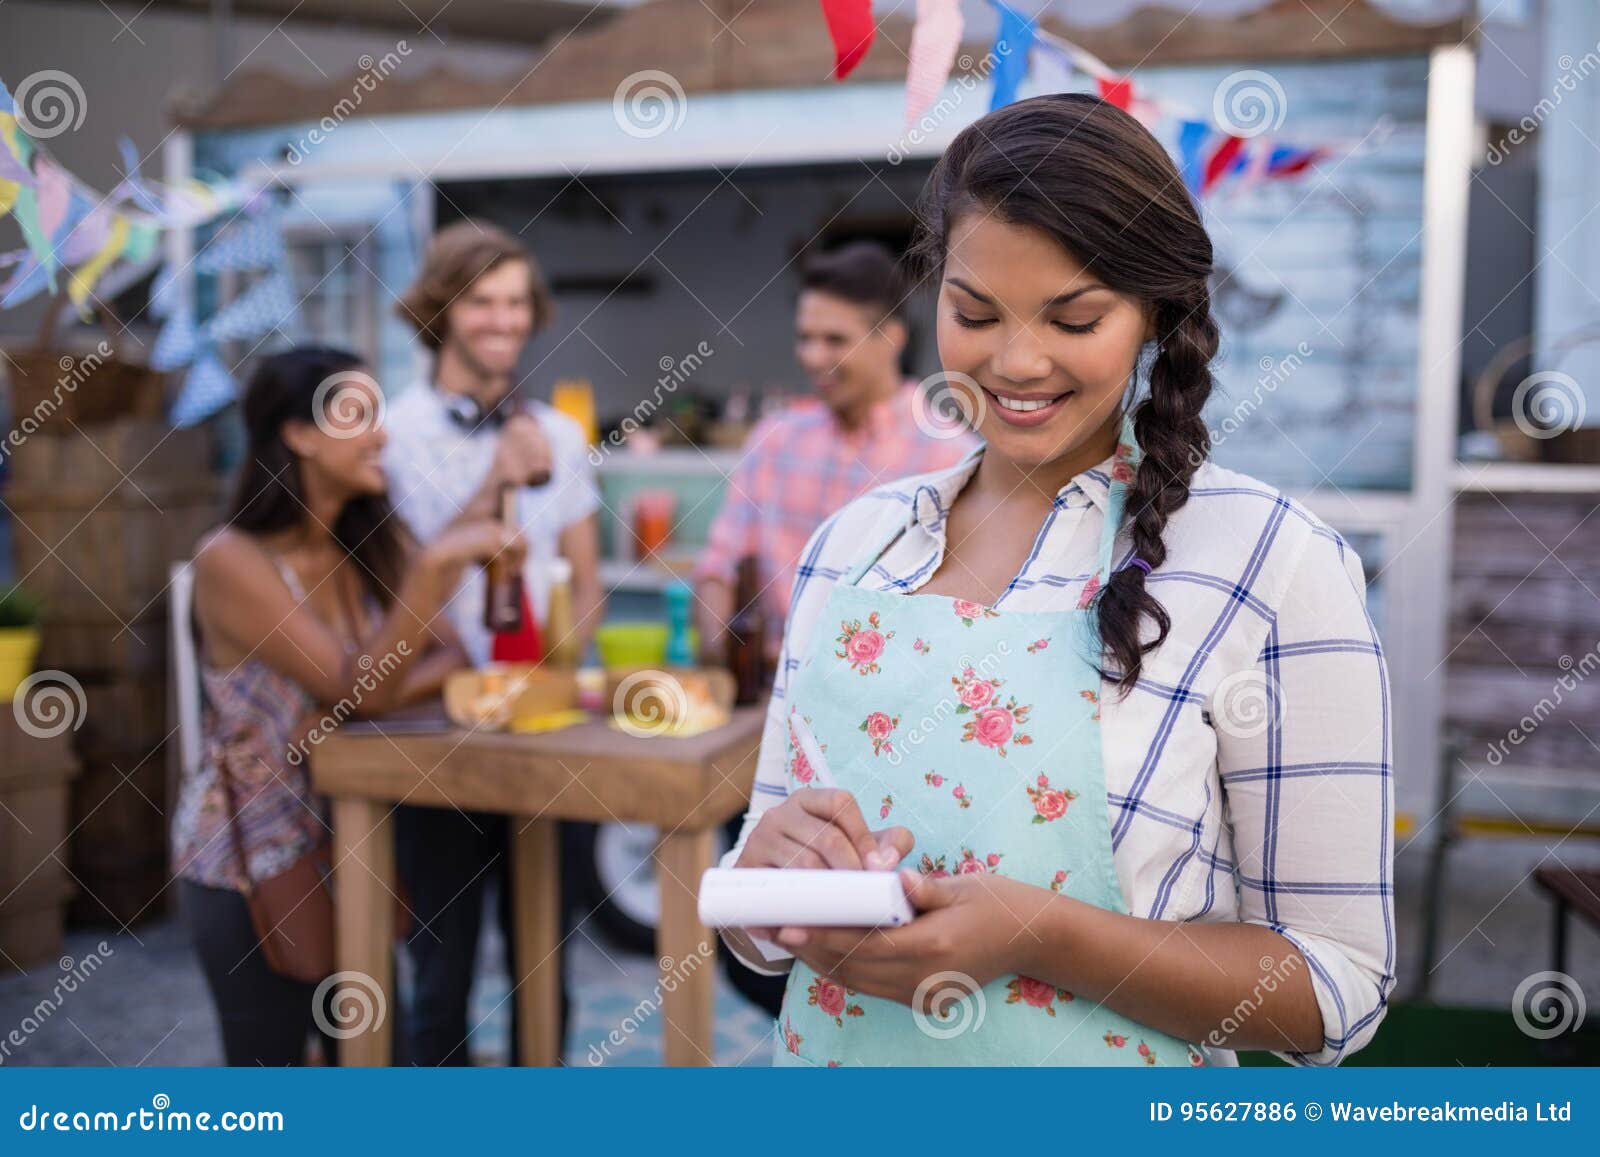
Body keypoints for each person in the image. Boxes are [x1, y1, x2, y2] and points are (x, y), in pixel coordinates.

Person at [720, 94, 1395, 1067]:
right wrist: (764, 873)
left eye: (1073, 317)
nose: (1016, 360)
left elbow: (1335, 986)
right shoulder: (853, 544)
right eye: (974, 312)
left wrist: (1042, 933)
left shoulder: (1268, 558)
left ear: (1152, 314)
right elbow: (757, 909)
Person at [179, 346, 521, 1066]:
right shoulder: (230, 560)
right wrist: (425, 585)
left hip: (356, 841)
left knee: (374, 1055)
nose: (382, 434)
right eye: (356, 415)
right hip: (251, 852)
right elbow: (362, 681)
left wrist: (345, 709)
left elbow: (450, 653)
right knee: (268, 1076)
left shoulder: (372, 538)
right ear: (297, 434)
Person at [383, 219, 601, 1065]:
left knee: (546, 963)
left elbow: (583, 582)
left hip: (539, 732)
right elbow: (405, 593)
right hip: (435, 732)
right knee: (441, 969)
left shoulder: (564, 436)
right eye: (483, 301)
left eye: (517, 302)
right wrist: (495, 477)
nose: (505, 320)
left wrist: (558, 684)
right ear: (440, 310)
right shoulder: (391, 437)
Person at [693, 241, 979, 664]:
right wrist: (721, 664)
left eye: (834, 340)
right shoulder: (774, 441)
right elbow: (719, 568)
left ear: (892, 338)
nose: (813, 357)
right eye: (805, 338)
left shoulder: (951, 456)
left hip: (889, 710)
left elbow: (962, 616)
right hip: (773, 691)